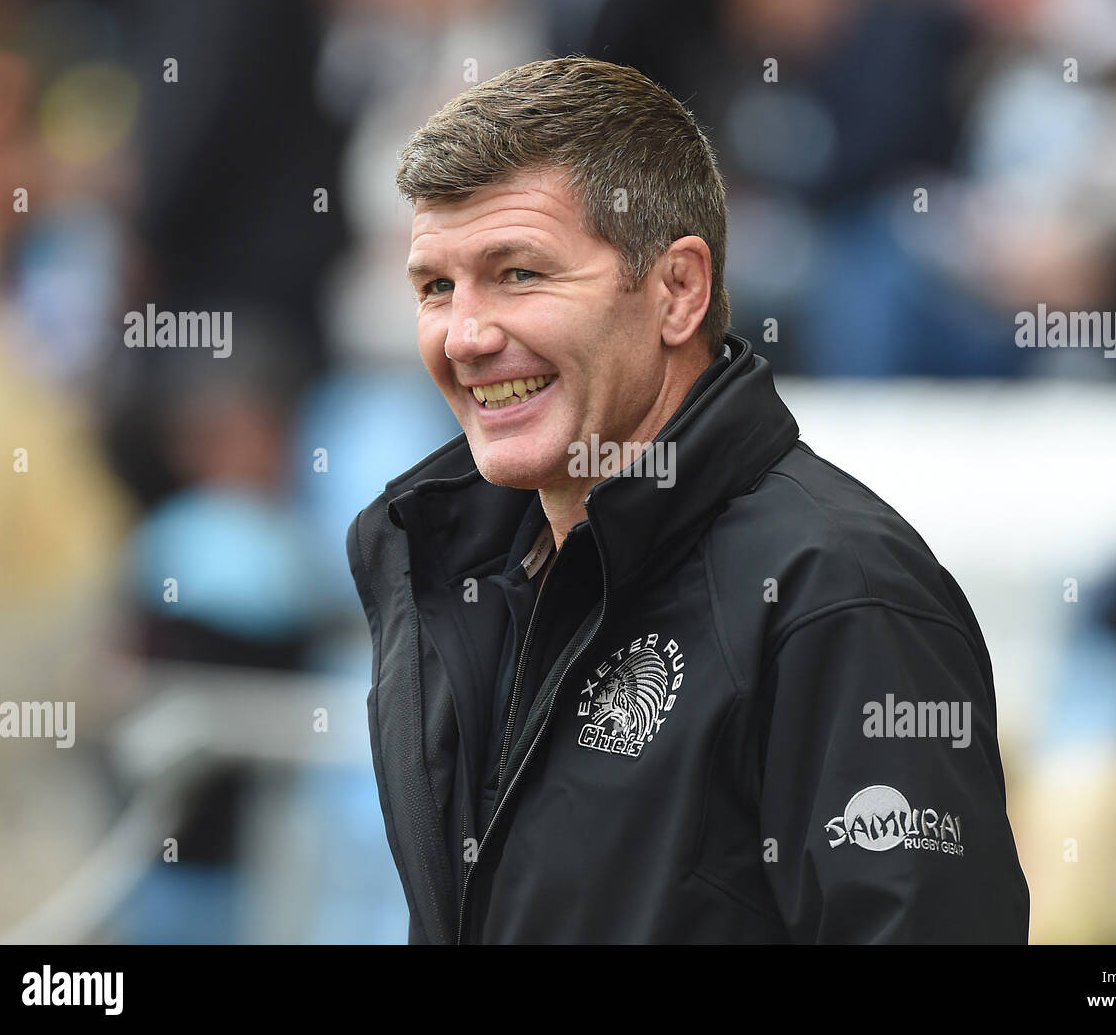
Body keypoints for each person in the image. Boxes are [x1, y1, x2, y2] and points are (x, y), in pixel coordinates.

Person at [346, 56, 1029, 944]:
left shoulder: (838, 590)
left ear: (678, 291)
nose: (466, 336)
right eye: (436, 286)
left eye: (519, 273)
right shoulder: (443, 566)